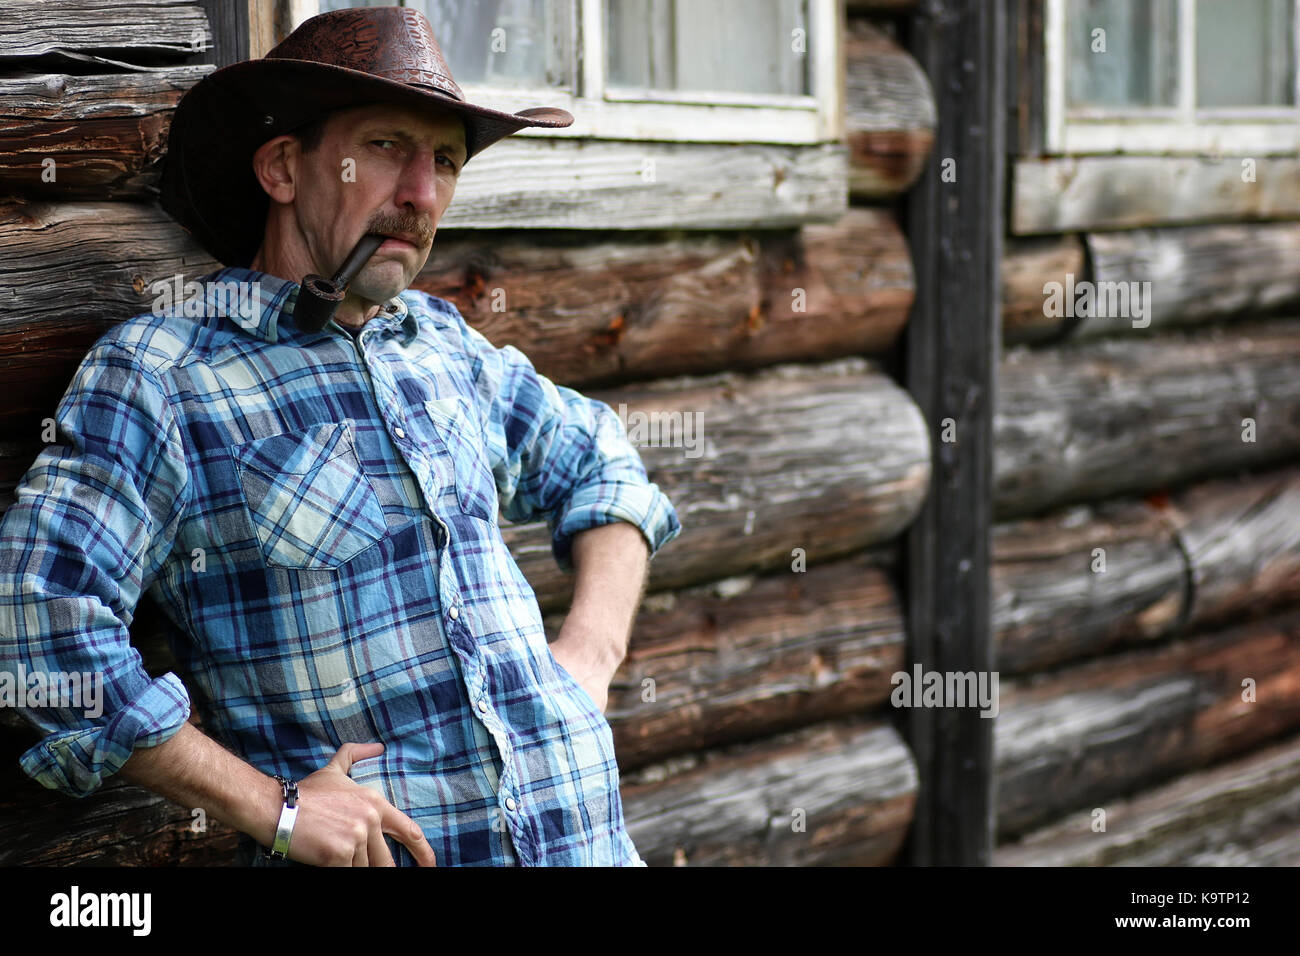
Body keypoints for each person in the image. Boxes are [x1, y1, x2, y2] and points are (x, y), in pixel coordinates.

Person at [0, 7, 681, 867]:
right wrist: (276, 810)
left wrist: (589, 655)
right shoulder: (166, 375)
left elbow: (601, 460)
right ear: (283, 167)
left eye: (445, 161)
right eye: (390, 146)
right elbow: (37, 622)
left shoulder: (445, 348)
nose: (422, 195)